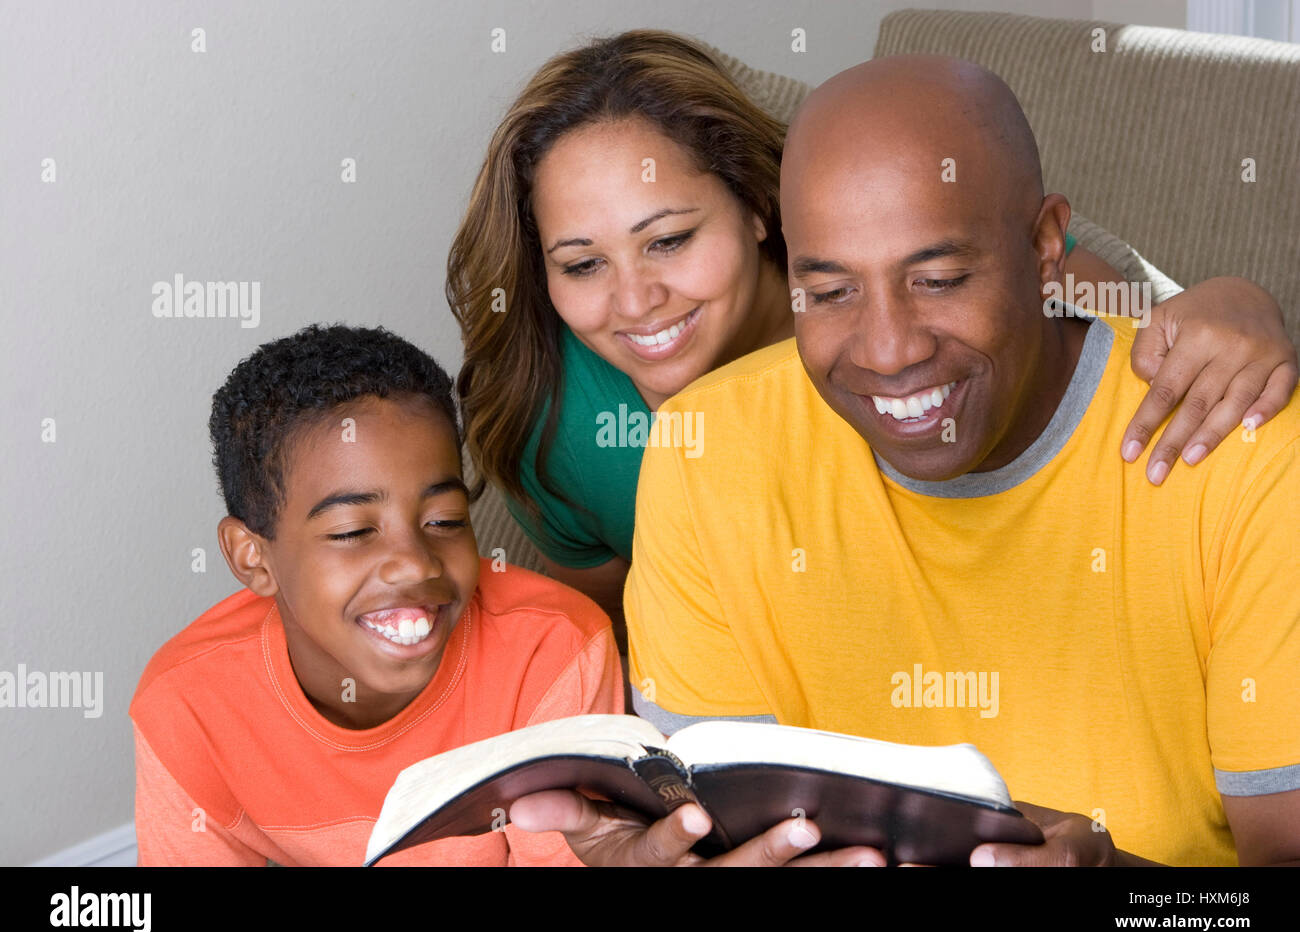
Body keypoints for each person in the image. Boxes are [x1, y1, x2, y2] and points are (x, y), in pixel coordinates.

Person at [510, 55, 1300, 867]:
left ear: (1043, 247)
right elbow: (724, 833)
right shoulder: (699, 452)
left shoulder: (1238, 442)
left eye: (938, 278)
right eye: (833, 291)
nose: (888, 352)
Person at [448, 30, 1298, 649]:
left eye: (668, 240)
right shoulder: (548, 422)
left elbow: (1123, 314)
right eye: (581, 264)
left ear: (756, 207)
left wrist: (1235, 304)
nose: (636, 301)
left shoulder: (894, 257)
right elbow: (623, 638)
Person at [130, 325, 621, 865]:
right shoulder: (186, 704)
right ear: (253, 556)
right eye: (352, 531)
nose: (414, 562)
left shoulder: (552, 650)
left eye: (444, 520)